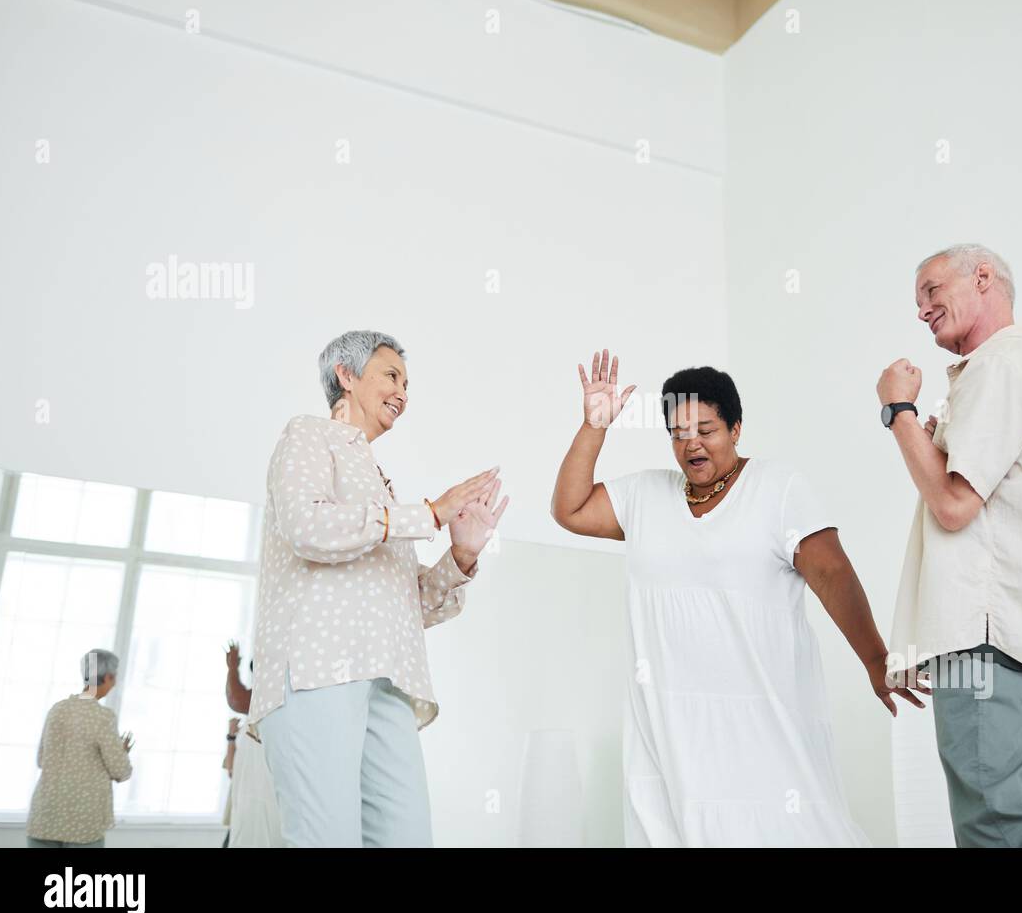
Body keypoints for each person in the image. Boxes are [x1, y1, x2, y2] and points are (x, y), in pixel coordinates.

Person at [552, 349, 927, 847]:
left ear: (736, 428)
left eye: (706, 430)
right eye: (679, 435)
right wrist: (594, 427)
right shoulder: (646, 496)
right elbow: (570, 509)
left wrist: (876, 658)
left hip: (760, 727)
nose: (692, 446)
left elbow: (832, 574)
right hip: (667, 731)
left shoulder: (776, 487)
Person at [878, 243, 1022, 847]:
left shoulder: (1001, 365)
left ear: (982, 277)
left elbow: (954, 506)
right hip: (1008, 641)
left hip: (990, 643)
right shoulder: (1006, 371)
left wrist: (898, 411)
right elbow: (973, 503)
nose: (923, 310)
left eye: (932, 291)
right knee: (996, 817)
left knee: (994, 826)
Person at [245, 330, 507, 847]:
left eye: (407, 383)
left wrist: (462, 554)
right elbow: (307, 528)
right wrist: (429, 513)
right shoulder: (307, 436)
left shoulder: (380, 482)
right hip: (317, 670)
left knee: (406, 838)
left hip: (386, 680)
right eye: (391, 376)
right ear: (346, 375)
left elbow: (408, 604)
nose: (403, 393)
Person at [26, 648, 134, 848]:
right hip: (81, 822)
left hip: (44, 816)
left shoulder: (57, 709)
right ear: (109, 677)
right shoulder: (103, 717)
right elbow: (120, 770)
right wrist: (122, 752)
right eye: (115, 677)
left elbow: (42, 759)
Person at [221, 642, 282, 847]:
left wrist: (231, 668)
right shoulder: (252, 716)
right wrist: (230, 737)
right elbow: (230, 769)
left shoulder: (272, 700)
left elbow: (235, 699)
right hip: (245, 803)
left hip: (262, 803)